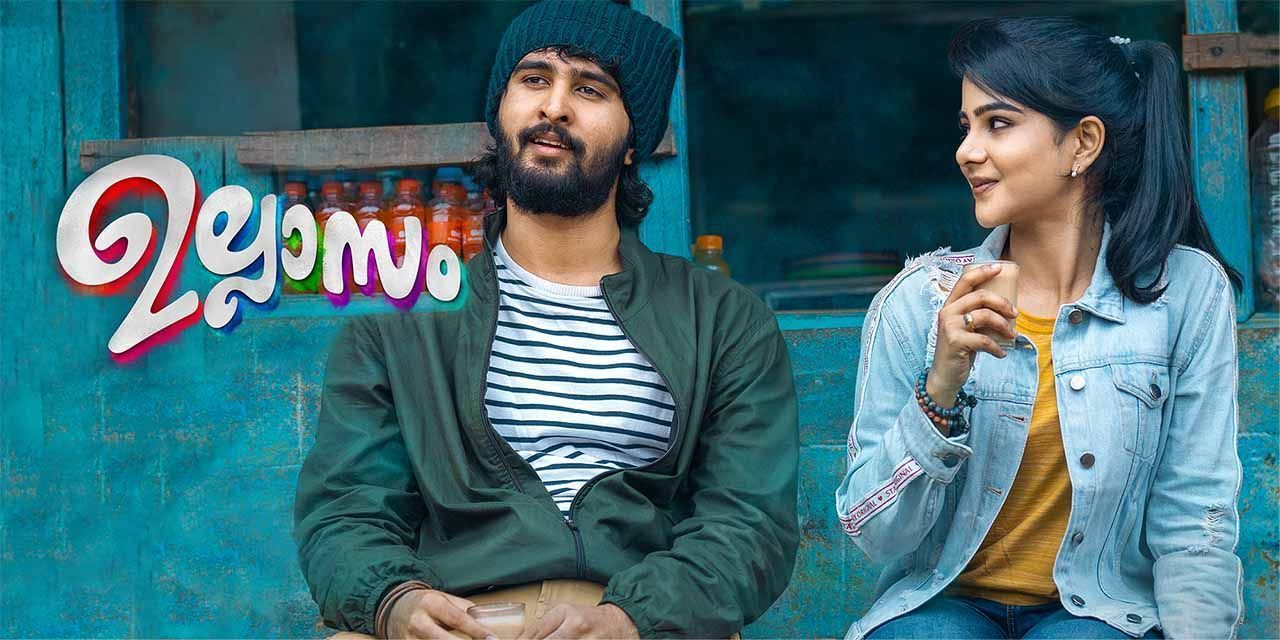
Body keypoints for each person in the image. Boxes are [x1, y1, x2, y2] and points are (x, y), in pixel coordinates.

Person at [293, 1, 799, 638]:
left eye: (590, 89)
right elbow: (346, 513)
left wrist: (632, 619)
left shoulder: (722, 321)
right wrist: (395, 602)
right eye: (534, 79)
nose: (554, 106)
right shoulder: (399, 322)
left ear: (633, 142)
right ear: (500, 111)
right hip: (457, 620)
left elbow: (751, 524)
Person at [835, 17, 1243, 640]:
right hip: (945, 603)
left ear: (1083, 143)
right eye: (966, 126)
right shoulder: (918, 302)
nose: (967, 151)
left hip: (1101, 610)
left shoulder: (1184, 292)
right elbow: (874, 535)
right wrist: (940, 389)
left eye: (997, 123)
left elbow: (1195, 517)